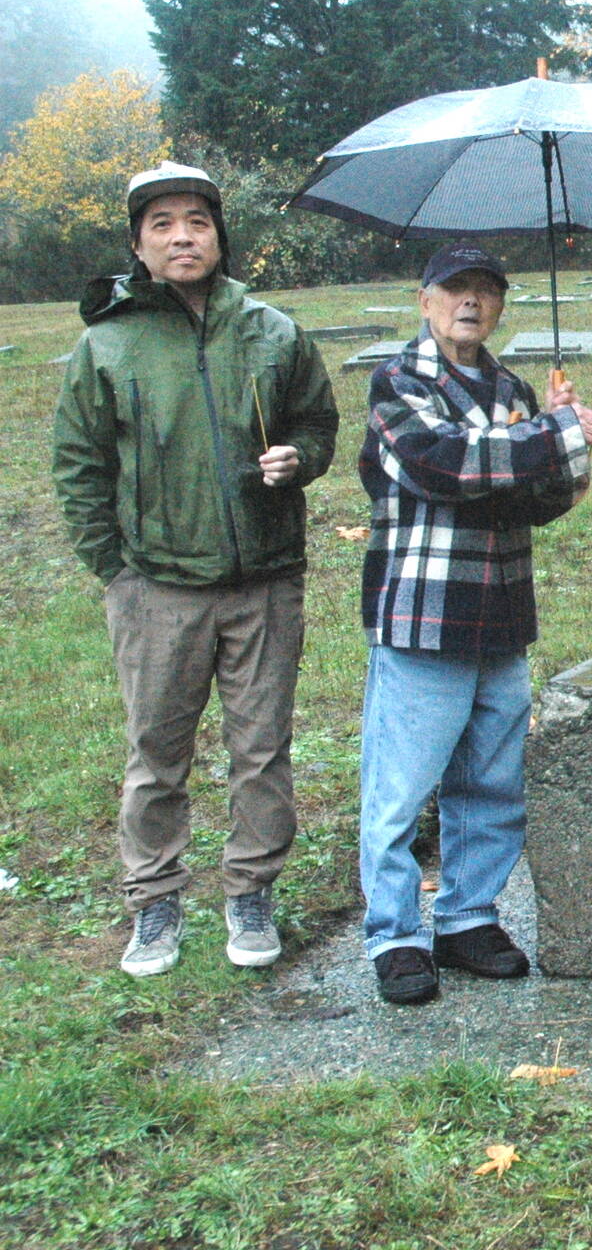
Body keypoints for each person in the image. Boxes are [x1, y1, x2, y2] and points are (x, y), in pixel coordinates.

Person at [52, 161, 339, 978]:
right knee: (156, 754)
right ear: (139, 244)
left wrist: (299, 458)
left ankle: (251, 891)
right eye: (163, 224)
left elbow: (318, 423)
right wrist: (116, 571)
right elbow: (79, 465)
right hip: (157, 588)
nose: (183, 237)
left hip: (265, 580)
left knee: (262, 749)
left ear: (219, 235)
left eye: (198, 222)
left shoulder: (272, 332)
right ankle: (155, 899)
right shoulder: (107, 344)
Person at [357, 243, 592, 1005]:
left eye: (485, 291)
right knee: (402, 789)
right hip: (424, 614)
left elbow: (535, 500)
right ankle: (395, 935)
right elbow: (442, 465)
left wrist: (567, 451)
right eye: (454, 288)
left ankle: (467, 918)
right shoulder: (398, 382)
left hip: (501, 611)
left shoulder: (512, 390)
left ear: (499, 306)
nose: (470, 302)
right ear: (424, 301)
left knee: (492, 783)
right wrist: (546, 438)